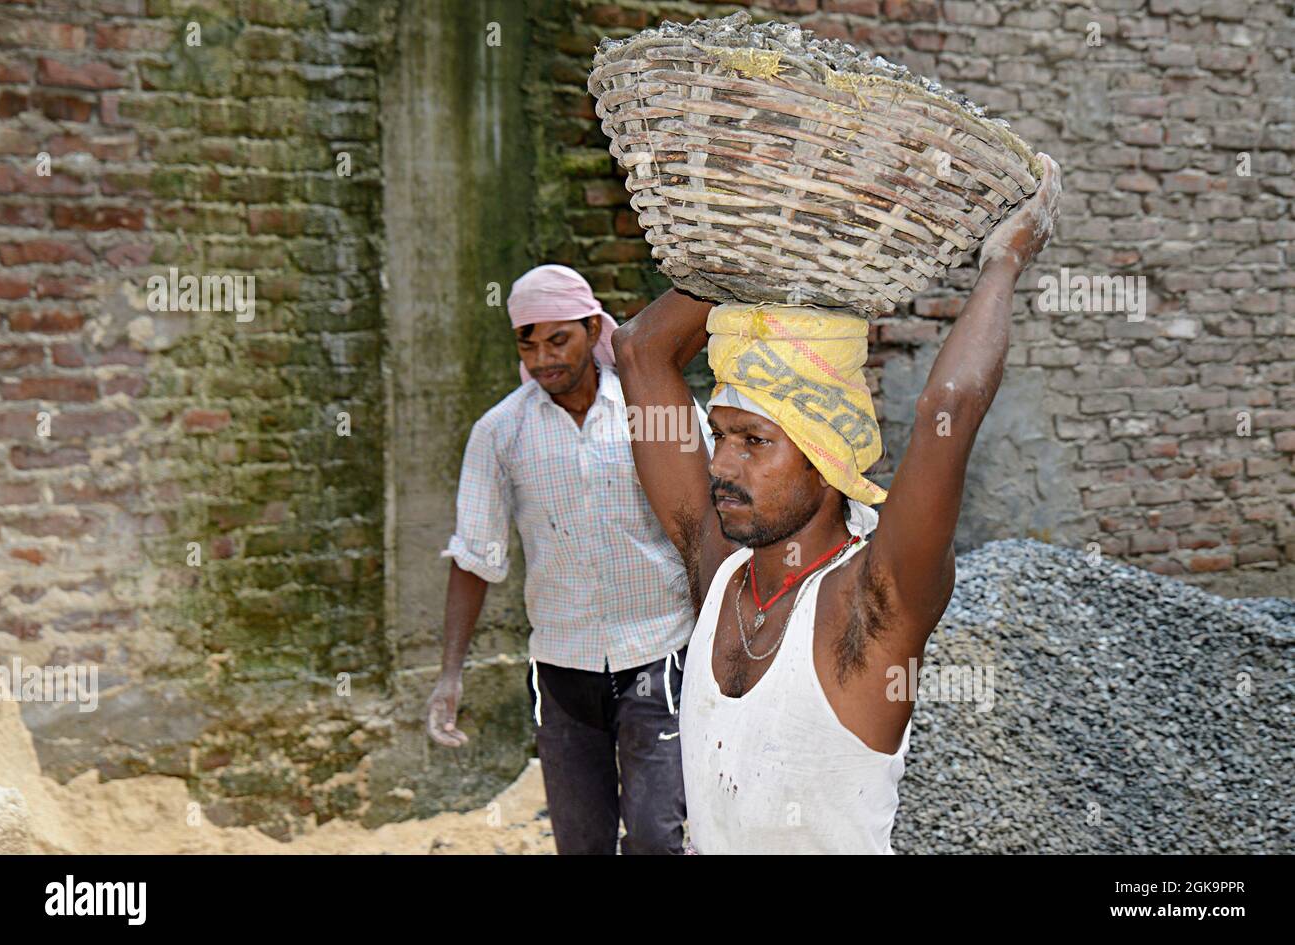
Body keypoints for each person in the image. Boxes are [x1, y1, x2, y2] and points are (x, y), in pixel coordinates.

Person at [610, 156, 1064, 853]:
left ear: (828, 461)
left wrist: (1003, 261)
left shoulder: (873, 602)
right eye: (719, 437)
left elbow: (951, 404)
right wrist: (759, 243)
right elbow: (640, 350)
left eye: (755, 441)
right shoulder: (721, 564)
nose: (723, 466)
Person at [428, 264, 713, 855]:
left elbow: (712, 521)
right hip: (561, 670)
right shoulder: (500, 433)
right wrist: (449, 676)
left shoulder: (653, 411)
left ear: (592, 328)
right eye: (527, 344)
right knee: (581, 844)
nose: (542, 359)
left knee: (658, 837)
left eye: (558, 339)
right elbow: (473, 557)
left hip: (658, 656)